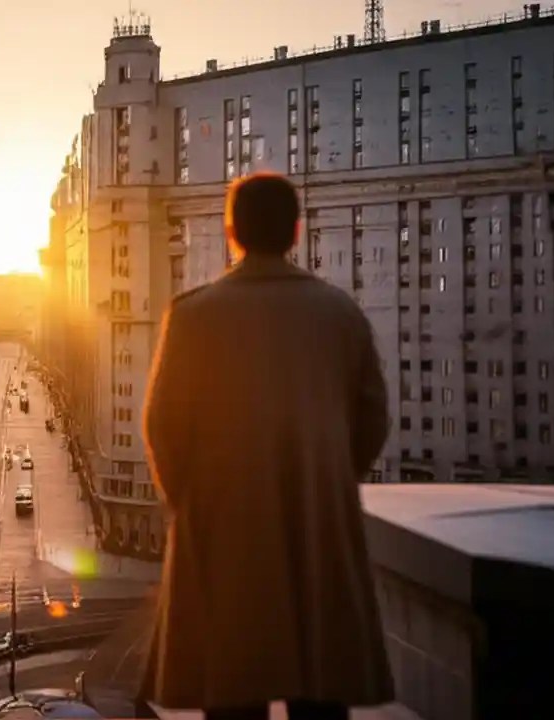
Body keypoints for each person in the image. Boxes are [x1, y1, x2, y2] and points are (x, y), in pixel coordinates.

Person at [141, 173, 392, 720]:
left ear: (232, 232)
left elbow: (163, 426)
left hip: (225, 529)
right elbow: (373, 416)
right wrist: (328, 477)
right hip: (318, 527)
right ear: (295, 232)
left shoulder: (192, 316)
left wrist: (190, 501)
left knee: (232, 689)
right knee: (321, 686)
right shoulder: (338, 312)